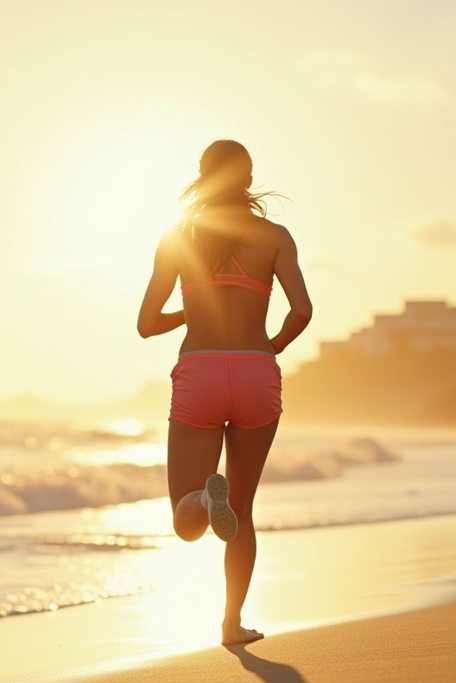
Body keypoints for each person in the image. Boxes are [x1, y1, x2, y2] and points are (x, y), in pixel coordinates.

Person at [135, 140, 312, 646]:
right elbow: (302, 310)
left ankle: (200, 497)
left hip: (201, 370)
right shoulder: (275, 236)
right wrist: (270, 346)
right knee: (245, 510)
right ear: (249, 178)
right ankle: (232, 625)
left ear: (203, 176)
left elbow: (147, 324)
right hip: (258, 371)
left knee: (185, 522)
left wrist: (190, 312)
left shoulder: (178, 237)